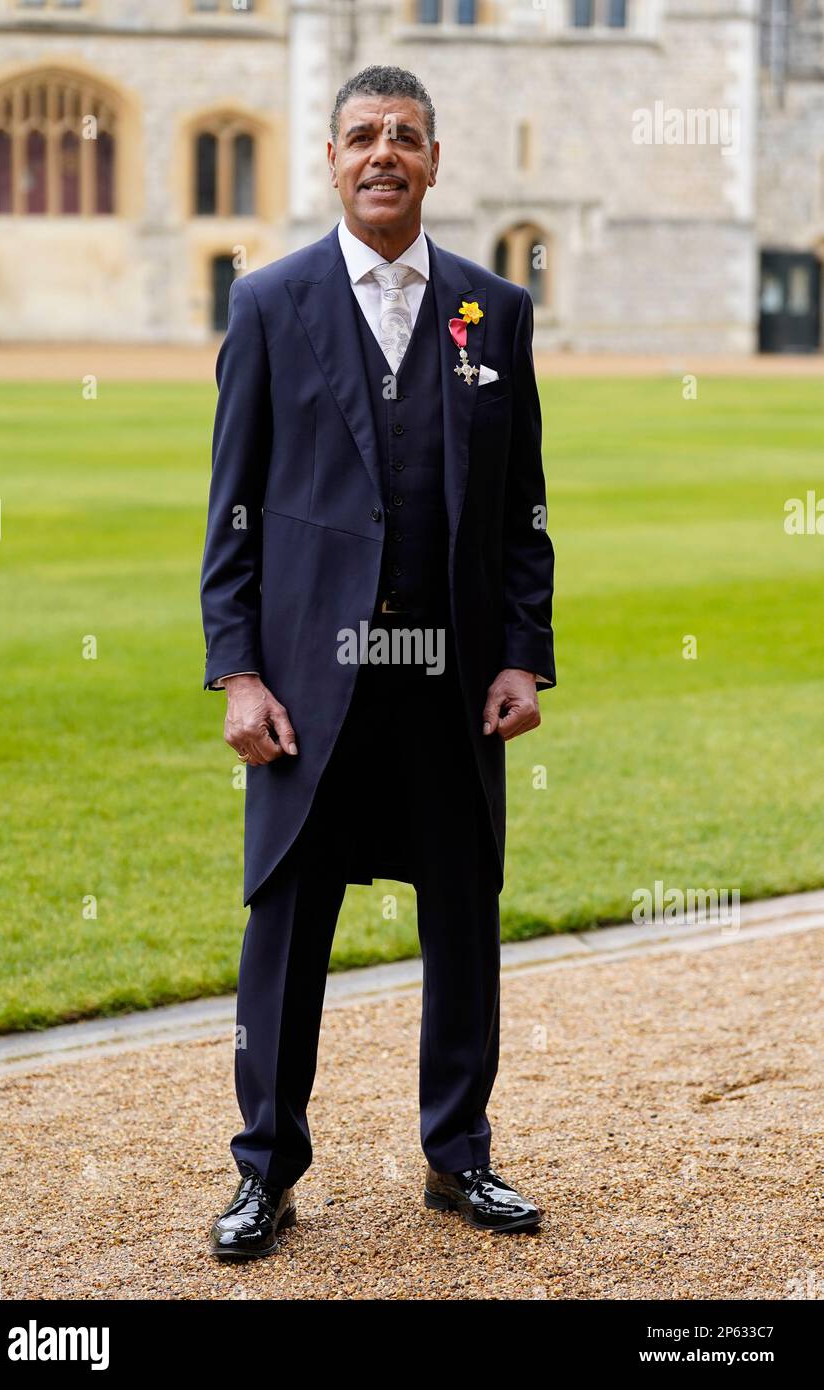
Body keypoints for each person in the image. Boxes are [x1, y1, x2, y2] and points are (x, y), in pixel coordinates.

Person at [200, 65, 556, 1260]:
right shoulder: (269, 303)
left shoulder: (493, 311)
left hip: (448, 676)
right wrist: (239, 672)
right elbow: (231, 509)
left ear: (434, 161)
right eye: (361, 135)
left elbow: (521, 512)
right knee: (284, 927)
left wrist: (522, 655)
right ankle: (264, 1170)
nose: (382, 152)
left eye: (404, 134)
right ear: (332, 158)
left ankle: (459, 1156)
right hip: (310, 679)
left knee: (461, 918)